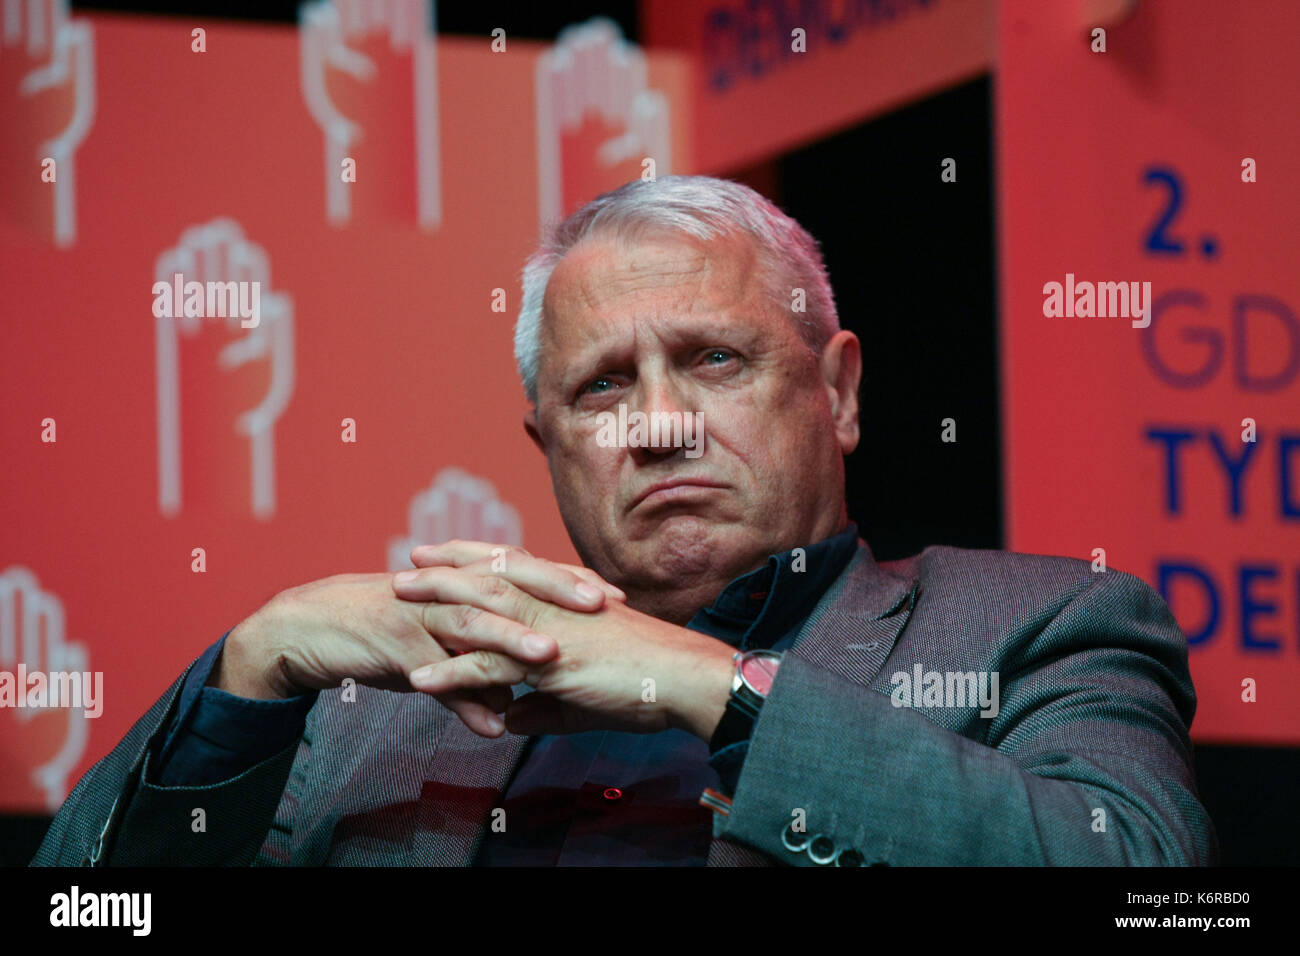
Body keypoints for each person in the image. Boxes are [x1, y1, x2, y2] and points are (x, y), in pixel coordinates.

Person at [32, 175, 1217, 866]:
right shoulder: (370, 714)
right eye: (603, 385)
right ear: (546, 442)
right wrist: (255, 661)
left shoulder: (1040, 623)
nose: (656, 425)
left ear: (838, 391)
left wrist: (713, 683)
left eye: (711, 359)